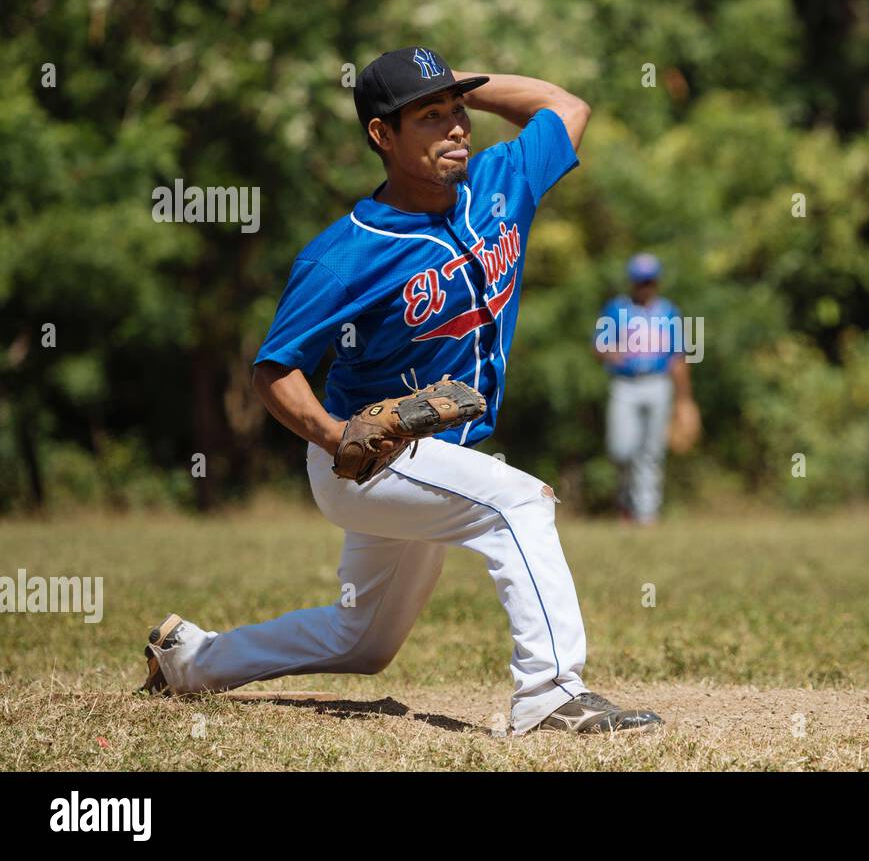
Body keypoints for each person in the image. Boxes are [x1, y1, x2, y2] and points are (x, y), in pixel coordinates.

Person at [138, 47, 662, 735]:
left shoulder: (503, 182)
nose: (455, 129)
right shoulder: (346, 253)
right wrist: (334, 437)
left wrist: (462, 83)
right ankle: (550, 693)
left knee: (363, 643)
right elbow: (274, 370)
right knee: (521, 503)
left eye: (457, 113)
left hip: (438, 459)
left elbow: (567, 108)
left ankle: (191, 660)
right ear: (381, 136)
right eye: (429, 117)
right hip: (364, 459)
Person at [595, 254, 698, 524]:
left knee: (651, 451)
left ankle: (646, 514)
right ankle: (625, 500)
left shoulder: (669, 311)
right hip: (625, 384)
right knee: (621, 448)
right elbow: (599, 347)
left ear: (657, 282)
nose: (645, 287)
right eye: (641, 282)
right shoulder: (616, 308)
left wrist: (685, 401)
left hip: (658, 383)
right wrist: (609, 353)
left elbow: (679, 357)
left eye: (649, 281)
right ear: (632, 282)